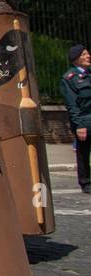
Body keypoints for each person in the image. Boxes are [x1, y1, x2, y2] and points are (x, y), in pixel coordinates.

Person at [61, 44, 91, 194]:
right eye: (84, 54)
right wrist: (79, 125)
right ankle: (86, 183)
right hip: (84, 122)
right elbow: (72, 104)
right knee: (83, 153)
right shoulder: (69, 78)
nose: (88, 56)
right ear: (76, 59)